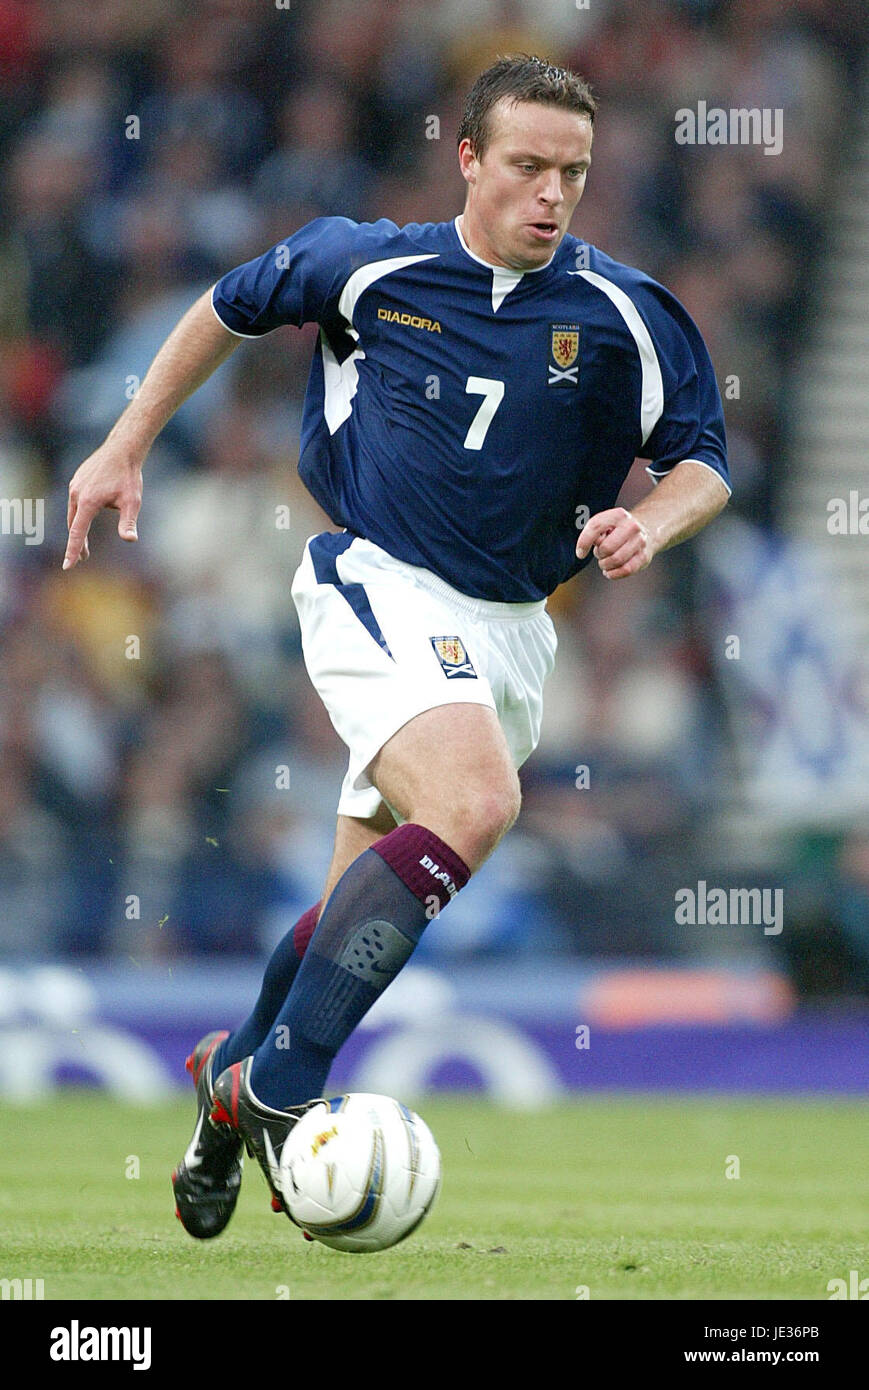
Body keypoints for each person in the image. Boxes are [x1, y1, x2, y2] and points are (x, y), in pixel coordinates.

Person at [64, 55, 730, 1238]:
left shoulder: (625, 310)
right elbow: (227, 303)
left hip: (512, 633)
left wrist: (652, 516)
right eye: (526, 166)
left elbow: (704, 460)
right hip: (374, 576)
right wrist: (124, 444)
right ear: (466, 157)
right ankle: (282, 1089)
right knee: (475, 805)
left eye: (571, 174)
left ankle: (227, 1097)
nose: (550, 195)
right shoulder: (364, 261)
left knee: (349, 908)